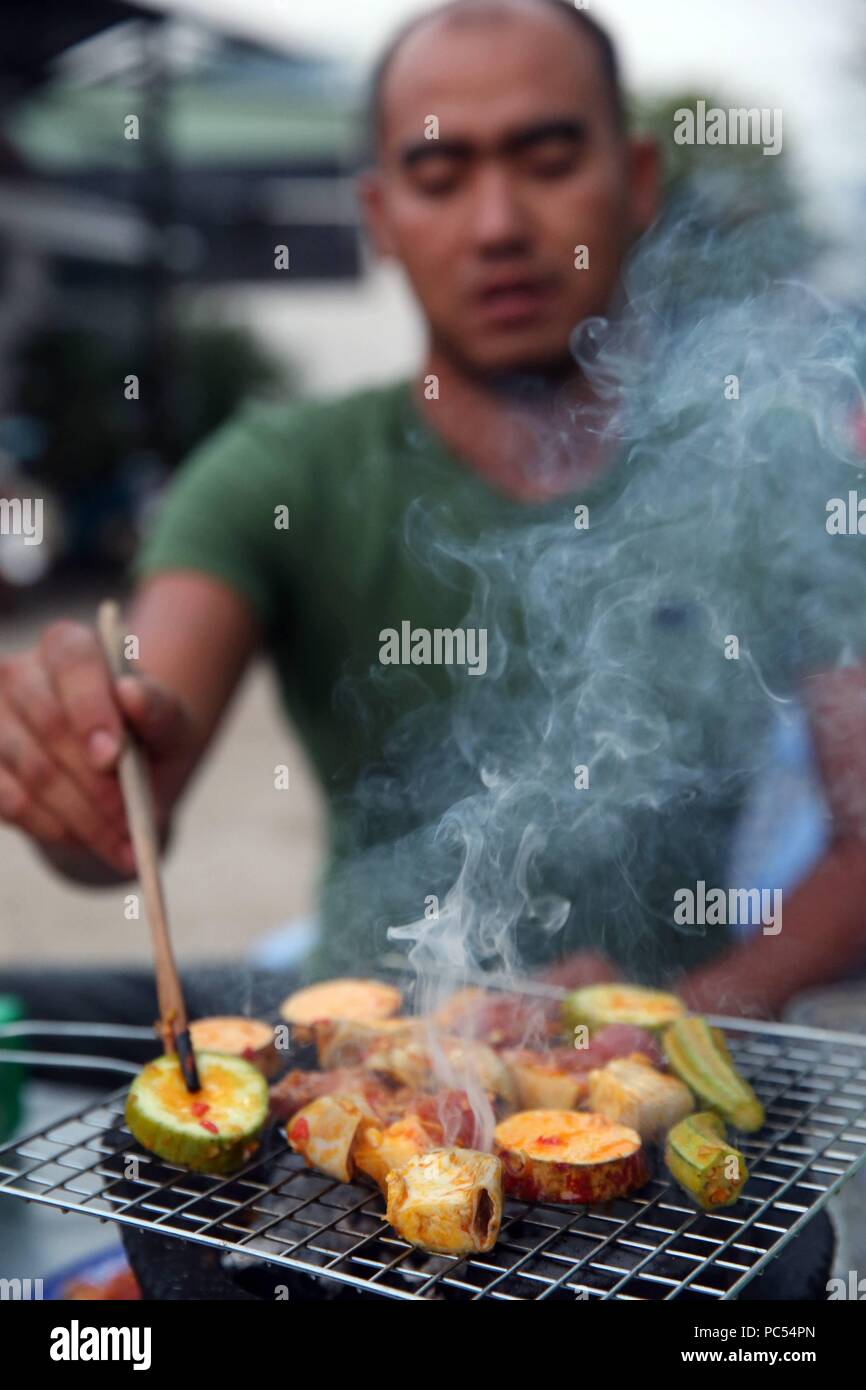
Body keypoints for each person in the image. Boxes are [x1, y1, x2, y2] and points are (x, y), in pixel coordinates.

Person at [1, 0, 865, 1022]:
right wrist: (86, 760)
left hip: (675, 1081)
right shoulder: (279, 473)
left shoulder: (767, 466)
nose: (496, 224)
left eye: (545, 160)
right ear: (378, 215)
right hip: (359, 1081)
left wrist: (685, 1013)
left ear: (634, 181)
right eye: (438, 175)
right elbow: (128, 786)